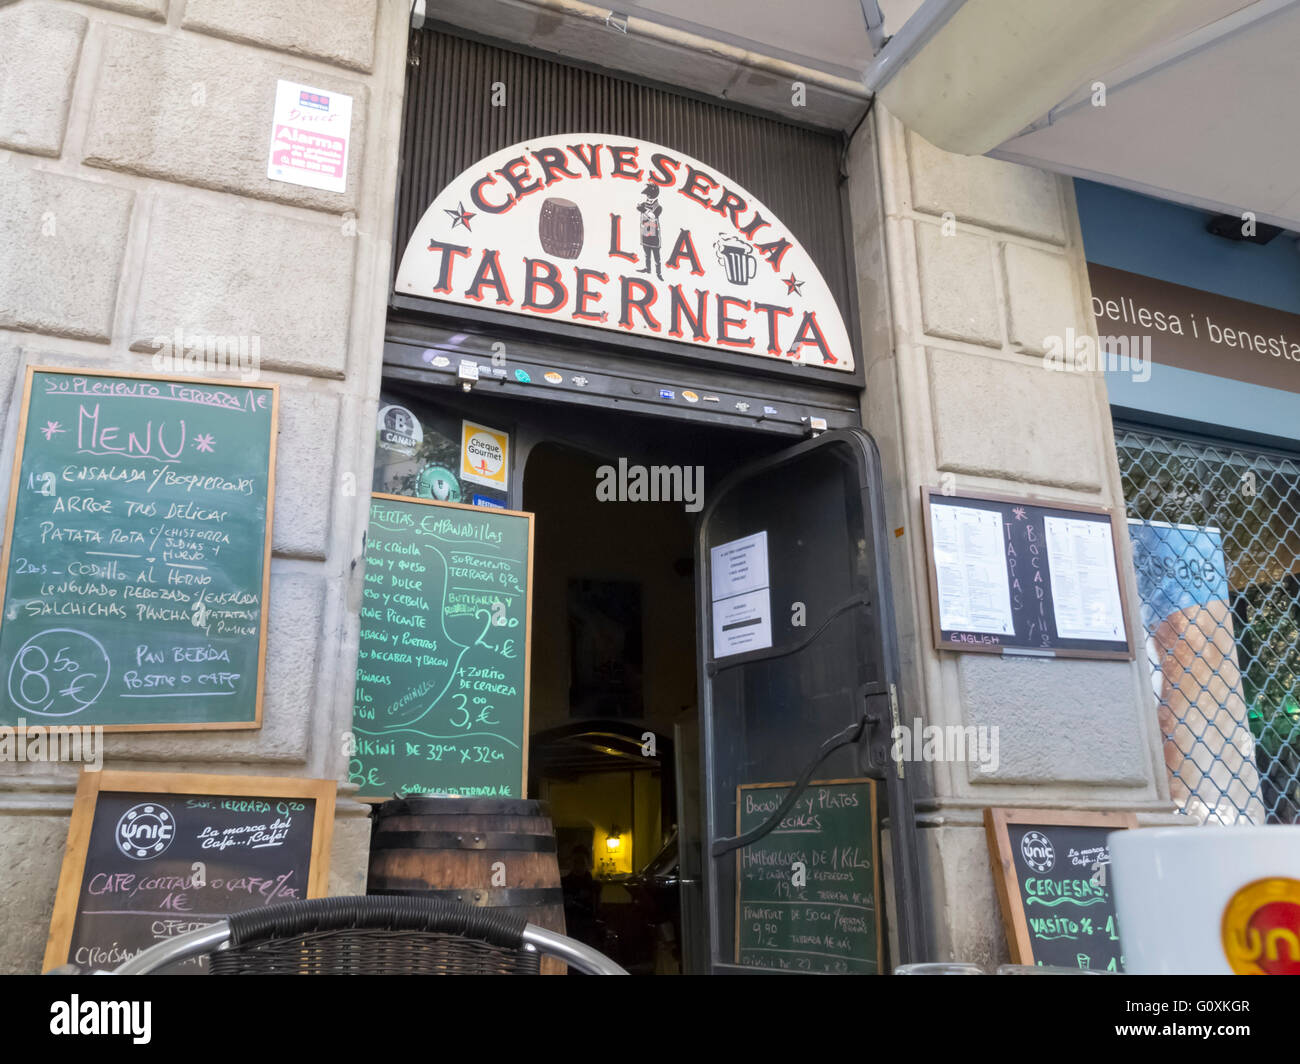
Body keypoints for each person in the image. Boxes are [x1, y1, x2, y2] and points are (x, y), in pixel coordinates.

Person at [561, 843, 600, 952]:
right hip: (569, 930)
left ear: (587, 863)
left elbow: (595, 910)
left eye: (581, 862)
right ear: (571, 863)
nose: (578, 866)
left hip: (587, 931)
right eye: (575, 862)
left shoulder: (594, 885)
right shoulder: (563, 883)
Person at [636, 184, 663, 280]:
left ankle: (658, 273)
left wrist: (643, 210)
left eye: (649, 195)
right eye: (647, 195)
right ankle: (648, 269)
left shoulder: (658, 207)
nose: (647, 198)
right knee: (647, 254)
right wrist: (641, 207)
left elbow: (653, 216)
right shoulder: (644, 204)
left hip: (653, 235)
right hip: (645, 233)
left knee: (656, 256)